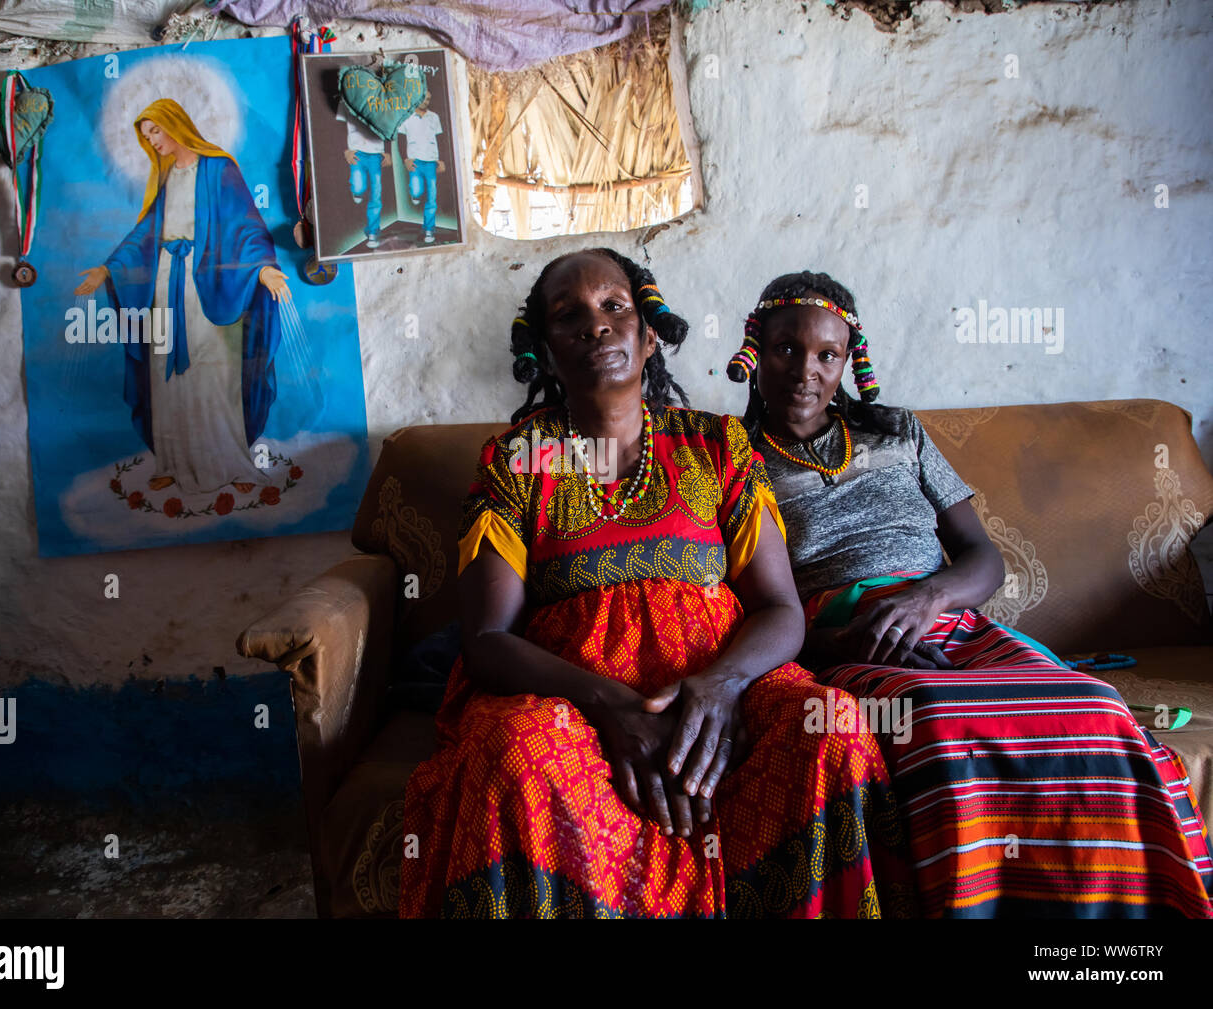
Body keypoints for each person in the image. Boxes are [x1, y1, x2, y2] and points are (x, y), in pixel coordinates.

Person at [399, 249, 916, 918]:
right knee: (515, 750)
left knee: (833, 727)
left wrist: (721, 685)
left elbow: (783, 610)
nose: (595, 326)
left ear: (648, 336)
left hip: (721, 694)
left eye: (615, 307)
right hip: (576, 704)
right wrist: (611, 706)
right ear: (545, 353)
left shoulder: (719, 447)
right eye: (568, 317)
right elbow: (488, 638)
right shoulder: (517, 462)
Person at [726, 270, 1213, 918]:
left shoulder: (899, 432)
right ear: (755, 345)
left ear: (849, 359)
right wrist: (845, 636)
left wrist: (928, 600)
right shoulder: (732, 456)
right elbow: (749, 607)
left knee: (1093, 703)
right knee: (934, 719)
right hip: (846, 639)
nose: (805, 371)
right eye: (786, 347)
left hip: (950, 620)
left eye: (827, 354)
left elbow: (985, 557)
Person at [74, 98, 290, 496]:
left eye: (155, 130)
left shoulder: (218, 168)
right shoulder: (166, 175)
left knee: (215, 372)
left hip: (209, 287)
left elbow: (245, 224)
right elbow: (145, 233)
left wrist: (262, 268)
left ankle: (230, 462)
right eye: (146, 135)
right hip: (164, 283)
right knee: (165, 376)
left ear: (175, 125)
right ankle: (172, 463)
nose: (152, 141)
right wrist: (108, 269)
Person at [337, 100, 390, 249]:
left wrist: (386, 151)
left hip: (376, 153)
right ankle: (357, 192)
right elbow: (339, 126)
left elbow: (387, 126)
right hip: (357, 151)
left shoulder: (381, 99)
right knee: (359, 186)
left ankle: (372, 232)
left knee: (376, 193)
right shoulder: (345, 102)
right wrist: (345, 150)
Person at [397, 94, 445, 244]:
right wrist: (405, 159)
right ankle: (415, 194)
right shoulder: (406, 116)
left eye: (428, 99)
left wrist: (441, 160)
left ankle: (429, 229)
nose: (426, 101)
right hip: (415, 160)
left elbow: (440, 139)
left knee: (432, 197)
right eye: (423, 98)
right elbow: (400, 139)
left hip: (431, 160)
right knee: (417, 190)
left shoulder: (434, 117)